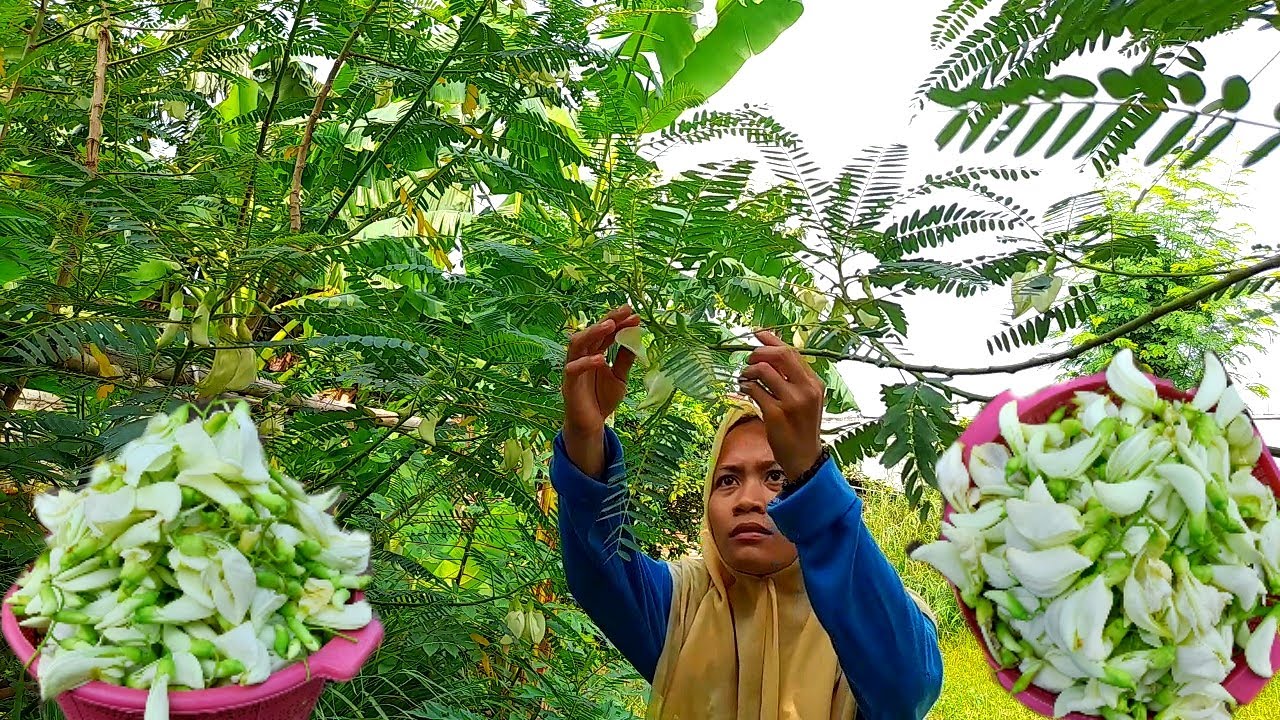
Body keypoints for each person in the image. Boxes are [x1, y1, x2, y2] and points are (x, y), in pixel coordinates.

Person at [550, 305, 944, 720]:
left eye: (777, 476)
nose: (747, 499)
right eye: (727, 480)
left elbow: (903, 689)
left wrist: (809, 468)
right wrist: (584, 436)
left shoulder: (882, 618)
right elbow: (601, 565)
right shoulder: (680, 605)